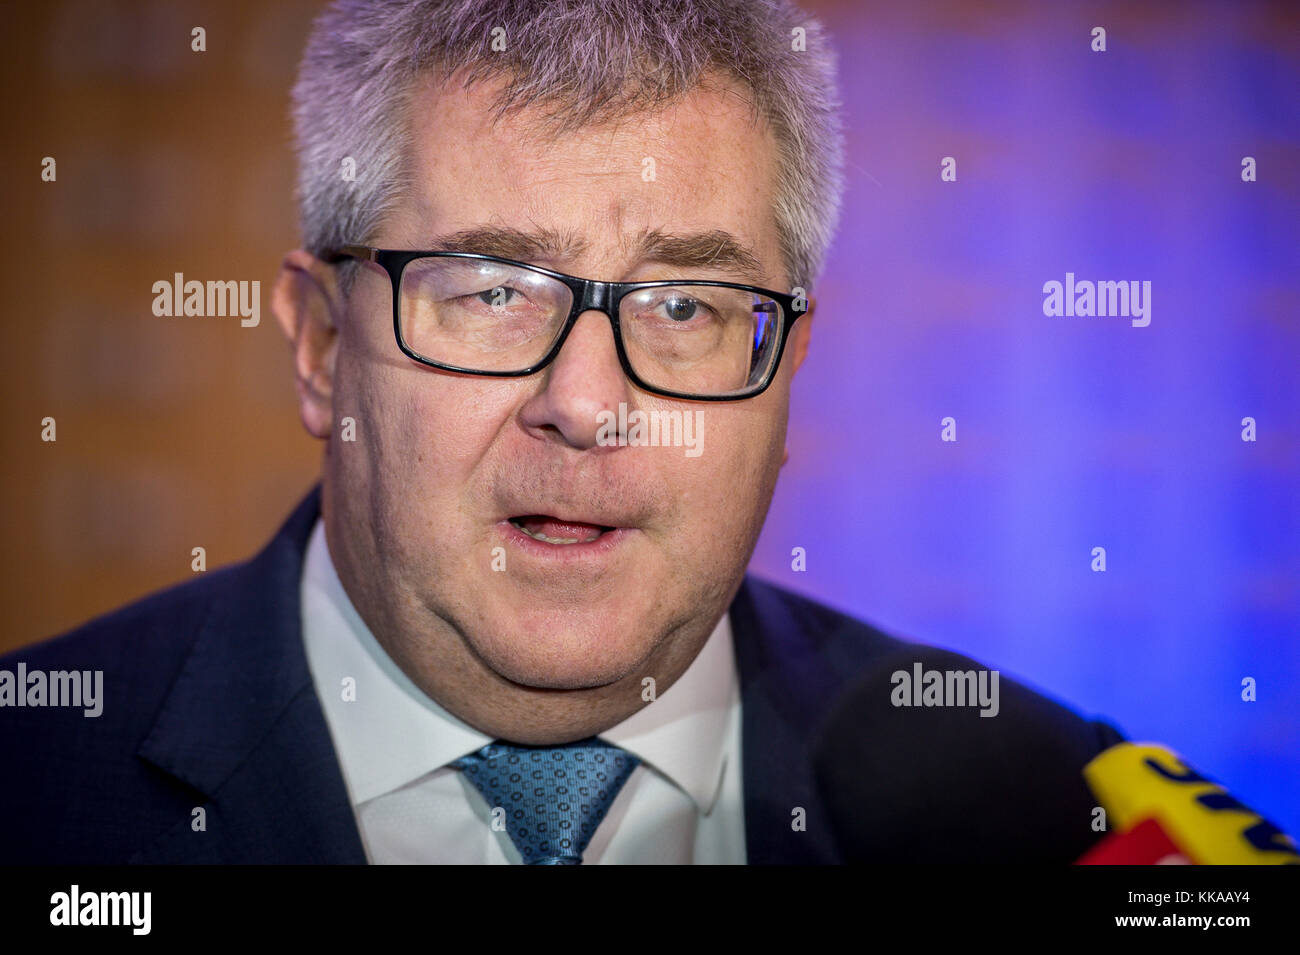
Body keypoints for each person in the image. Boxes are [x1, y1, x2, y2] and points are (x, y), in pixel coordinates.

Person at [2, 0, 1282, 866]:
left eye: (685, 305)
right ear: (321, 345)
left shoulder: (1062, 818)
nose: (588, 402)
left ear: (788, 369)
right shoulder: (31, 785)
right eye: (493, 288)